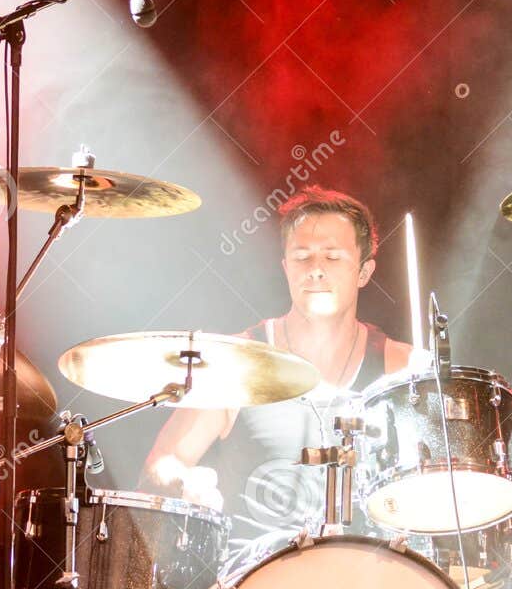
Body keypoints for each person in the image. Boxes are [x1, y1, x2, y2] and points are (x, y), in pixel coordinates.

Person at [140, 186, 413, 559]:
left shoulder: (402, 367)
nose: (315, 270)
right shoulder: (235, 362)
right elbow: (162, 463)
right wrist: (184, 482)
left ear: (364, 271)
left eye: (333, 257)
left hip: (368, 584)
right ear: (286, 267)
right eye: (302, 257)